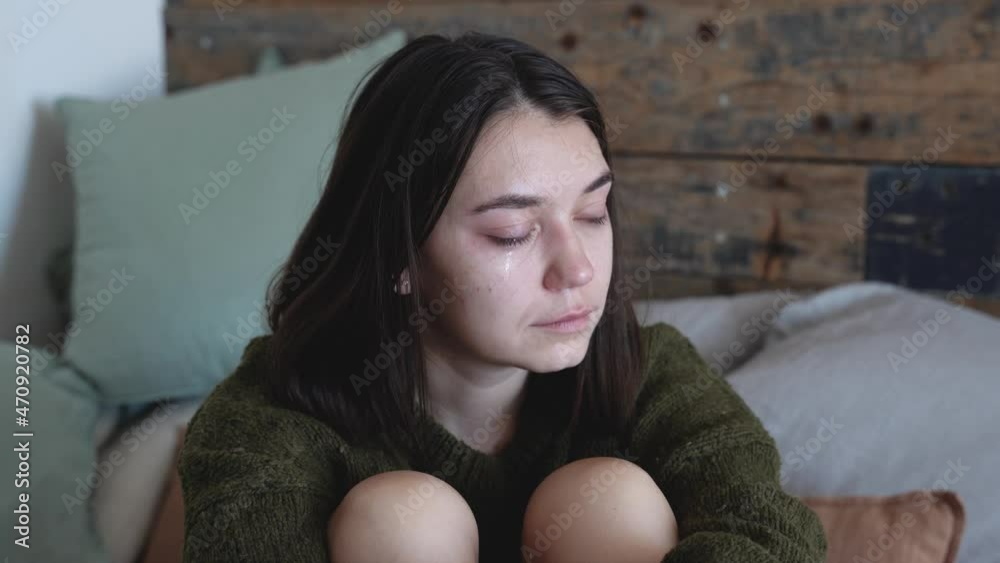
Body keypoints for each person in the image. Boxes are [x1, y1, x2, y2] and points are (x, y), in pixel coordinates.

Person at [178, 31, 827, 563]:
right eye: (513, 231)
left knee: (609, 496)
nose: (576, 269)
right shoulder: (269, 412)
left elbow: (772, 535)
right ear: (399, 258)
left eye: (595, 212)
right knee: (401, 517)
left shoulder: (649, 372)